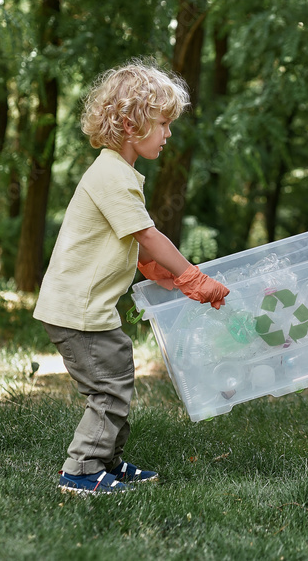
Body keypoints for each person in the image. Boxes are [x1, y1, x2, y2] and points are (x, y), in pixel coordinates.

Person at [33, 60, 230, 494]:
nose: (168, 133)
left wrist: (157, 270)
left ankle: (108, 462)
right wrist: (190, 276)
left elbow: (127, 240)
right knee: (108, 390)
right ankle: (81, 470)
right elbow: (146, 233)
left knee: (117, 377)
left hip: (87, 307)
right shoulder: (112, 175)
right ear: (129, 123)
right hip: (77, 309)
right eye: (162, 123)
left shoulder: (117, 173)